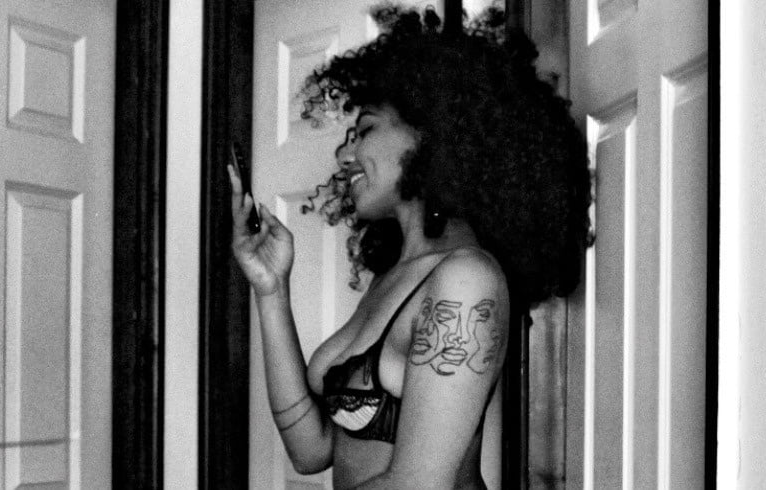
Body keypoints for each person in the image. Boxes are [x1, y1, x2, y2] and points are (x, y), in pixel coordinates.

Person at [227, 5, 592, 489]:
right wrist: (271, 291)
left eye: (365, 130)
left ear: (431, 134)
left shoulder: (466, 280)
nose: (345, 154)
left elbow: (418, 484)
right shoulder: (395, 277)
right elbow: (311, 452)